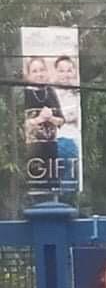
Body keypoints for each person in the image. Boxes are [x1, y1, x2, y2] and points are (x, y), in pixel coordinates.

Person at [23, 57, 64, 192]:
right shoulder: (24, 94)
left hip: (51, 150)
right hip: (31, 151)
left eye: (42, 70)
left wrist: (51, 118)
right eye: (35, 71)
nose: (39, 74)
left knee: (52, 188)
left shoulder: (50, 92)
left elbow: (61, 120)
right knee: (35, 188)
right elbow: (19, 125)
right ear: (28, 75)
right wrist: (39, 119)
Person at [52, 55, 80, 193]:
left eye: (69, 70)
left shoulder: (78, 94)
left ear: (74, 72)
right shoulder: (49, 93)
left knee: (69, 185)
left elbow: (73, 116)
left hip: (71, 141)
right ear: (56, 72)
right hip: (51, 141)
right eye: (61, 71)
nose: (65, 74)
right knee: (48, 183)